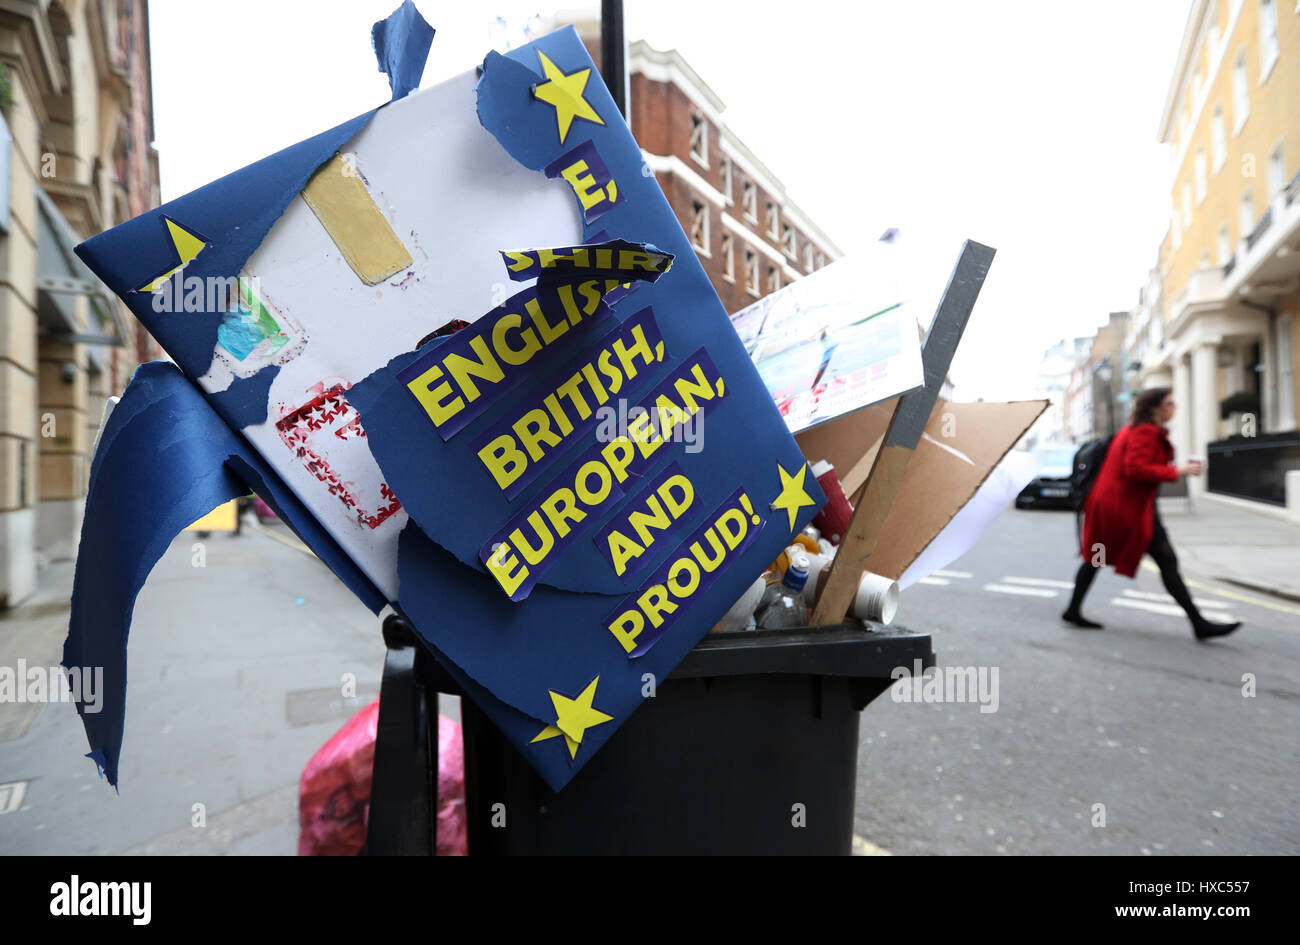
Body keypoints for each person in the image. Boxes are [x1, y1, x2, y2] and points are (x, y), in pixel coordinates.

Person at [1062, 387, 1241, 641]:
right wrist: (1179, 470)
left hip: (1118, 504)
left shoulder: (1136, 428)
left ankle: (1072, 610)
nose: (1174, 407)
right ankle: (1199, 623)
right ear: (1155, 408)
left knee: (1097, 558)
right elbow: (1135, 469)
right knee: (1163, 559)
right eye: (1169, 403)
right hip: (1123, 508)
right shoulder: (1144, 431)